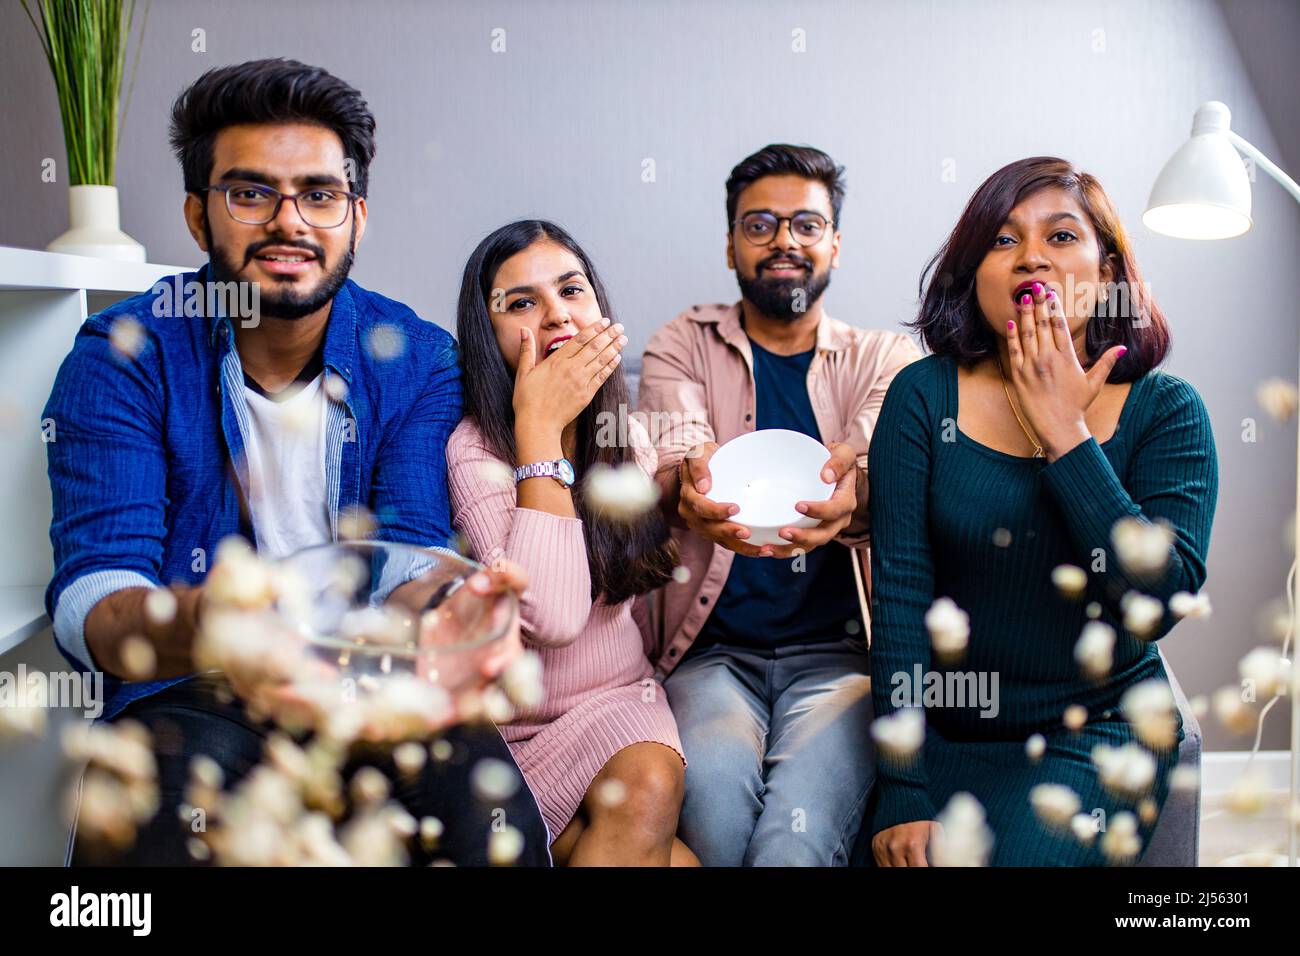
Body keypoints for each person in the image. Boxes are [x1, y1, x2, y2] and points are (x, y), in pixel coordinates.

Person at [44, 58, 549, 866]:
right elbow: (95, 599)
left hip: (375, 680)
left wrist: (446, 601)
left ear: (356, 216)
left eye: (318, 195)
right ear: (196, 214)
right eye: (250, 193)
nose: (289, 222)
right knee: (145, 842)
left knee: (495, 829)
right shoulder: (122, 358)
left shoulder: (416, 358)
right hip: (194, 688)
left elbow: (407, 549)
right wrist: (216, 628)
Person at [867, 156, 1218, 867]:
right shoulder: (922, 396)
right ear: (974, 276)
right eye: (1002, 240)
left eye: (1061, 237)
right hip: (949, 736)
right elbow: (901, 595)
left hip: (1098, 732)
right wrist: (902, 783)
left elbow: (1158, 600)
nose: (1031, 256)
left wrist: (1066, 436)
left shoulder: (1167, 411)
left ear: (1110, 272)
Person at [635, 144, 921, 865]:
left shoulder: (885, 359)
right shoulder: (682, 341)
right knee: (721, 826)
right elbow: (675, 456)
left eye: (805, 223)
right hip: (710, 657)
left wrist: (849, 503)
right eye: (759, 224)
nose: (784, 240)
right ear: (731, 243)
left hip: (840, 661)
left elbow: (870, 467)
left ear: (834, 243)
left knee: (797, 836)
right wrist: (687, 493)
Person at [447, 220, 696, 865]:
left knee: (648, 781)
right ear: (489, 331)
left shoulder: (626, 436)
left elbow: (692, 464)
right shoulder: (475, 453)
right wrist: (538, 430)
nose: (557, 315)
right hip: (513, 731)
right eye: (522, 303)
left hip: (623, 702)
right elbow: (552, 617)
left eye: (572, 291)